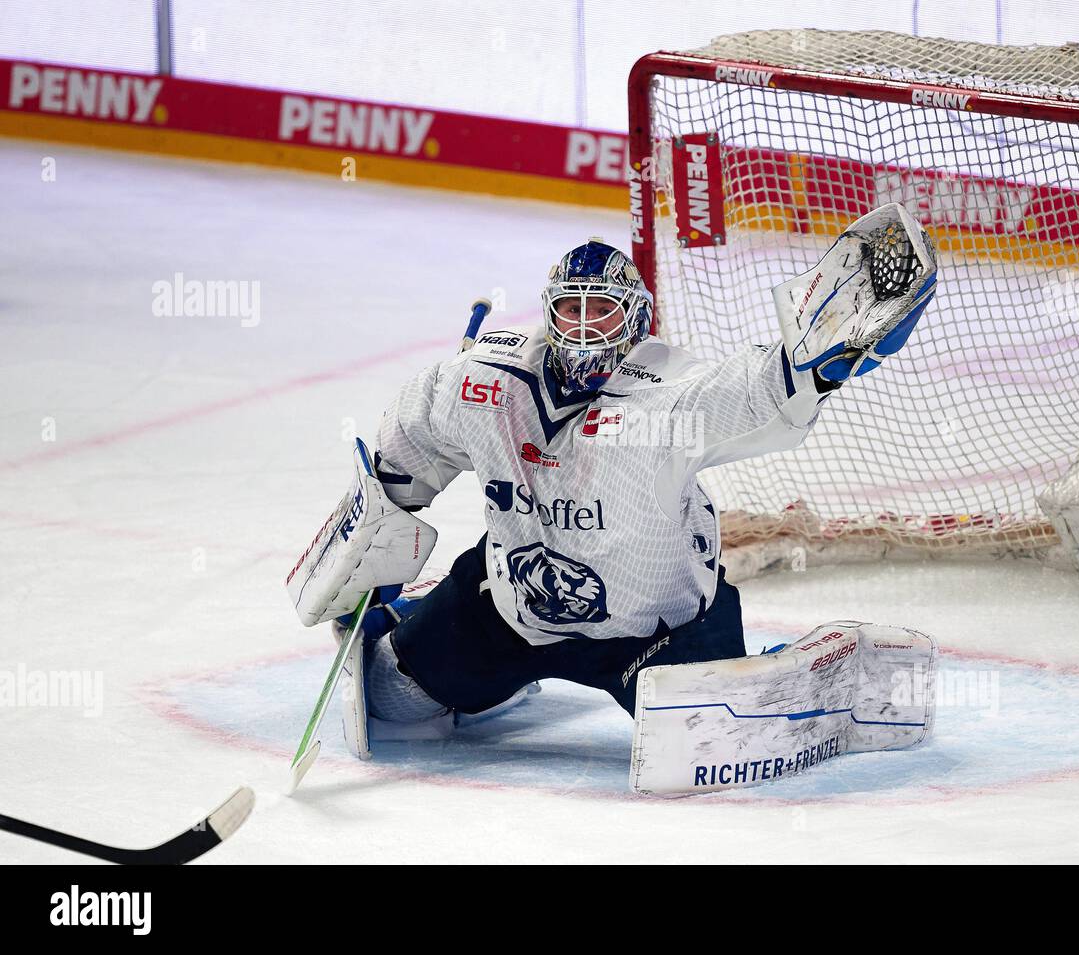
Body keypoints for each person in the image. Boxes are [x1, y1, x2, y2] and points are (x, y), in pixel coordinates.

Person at [292, 204, 937, 740]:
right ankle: (427, 622)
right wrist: (373, 553)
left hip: (654, 631)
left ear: (633, 324)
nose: (582, 328)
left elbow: (750, 391)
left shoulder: (665, 398)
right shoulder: (483, 385)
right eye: (569, 310)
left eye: (600, 312)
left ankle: (800, 667)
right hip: (514, 613)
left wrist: (815, 363)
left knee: (709, 739)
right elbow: (409, 447)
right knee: (393, 700)